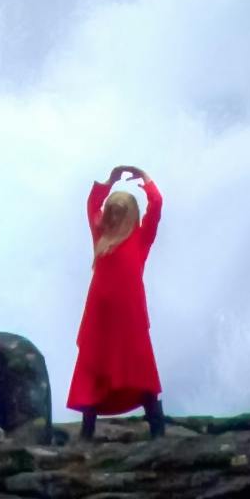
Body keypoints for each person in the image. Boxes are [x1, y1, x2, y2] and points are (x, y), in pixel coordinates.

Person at [68, 162, 165, 436]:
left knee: (138, 366)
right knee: (94, 366)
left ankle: (156, 426)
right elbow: (93, 205)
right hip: (100, 316)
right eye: (112, 211)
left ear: (130, 215)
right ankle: (88, 431)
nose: (113, 216)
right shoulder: (101, 235)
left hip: (129, 316)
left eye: (119, 212)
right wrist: (109, 181)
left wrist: (145, 178)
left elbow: (156, 206)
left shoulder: (140, 237)